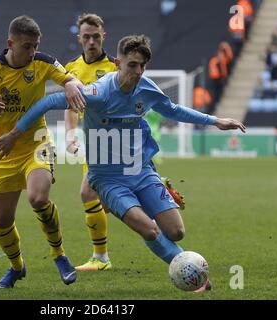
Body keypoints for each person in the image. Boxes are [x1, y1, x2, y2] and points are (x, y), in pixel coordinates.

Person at [0, 34, 246, 292]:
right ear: (118, 63)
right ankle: (189, 273)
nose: (137, 72)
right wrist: (14, 134)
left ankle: (162, 223)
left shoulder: (146, 88)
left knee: (177, 232)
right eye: (132, 65)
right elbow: (47, 102)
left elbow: (174, 109)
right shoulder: (97, 93)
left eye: (142, 66)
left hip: (141, 171)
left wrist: (215, 121)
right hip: (107, 180)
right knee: (149, 230)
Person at [0, 15, 86, 288]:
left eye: (35, 45)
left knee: (37, 197)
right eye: (26, 45)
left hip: (37, 142)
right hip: (6, 151)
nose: (32, 51)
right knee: (2, 218)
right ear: (10, 43)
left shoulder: (43, 62)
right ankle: (16, 267)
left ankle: (59, 255)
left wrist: (70, 82)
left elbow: (72, 80)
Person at [64, 13, 184, 271]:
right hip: (96, 140)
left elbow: (136, 112)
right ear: (79, 38)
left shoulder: (115, 66)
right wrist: (69, 134)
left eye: (96, 36)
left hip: (122, 147)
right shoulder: (71, 68)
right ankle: (103, 255)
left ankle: (102, 256)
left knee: (93, 195)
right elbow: (70, 105)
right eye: (86, 37)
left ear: (103, 36)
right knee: (92, 195)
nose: (92, 41)